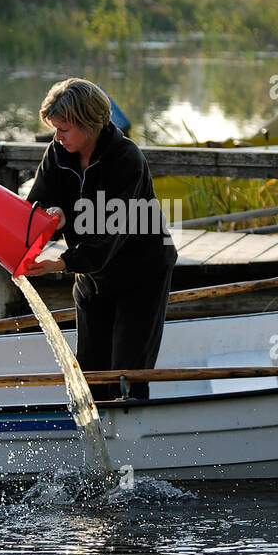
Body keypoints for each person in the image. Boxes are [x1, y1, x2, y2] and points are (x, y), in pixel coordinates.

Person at [24, 78, 177, 401]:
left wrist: (62, 262)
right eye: (55, 128)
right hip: (92, 275)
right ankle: (95, 441)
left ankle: (132, 440)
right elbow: (35, 209)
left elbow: (108, 234)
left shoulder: (126, 159)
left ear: (89, 124)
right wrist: (42, 227)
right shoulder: (57, 153)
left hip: (141, 273)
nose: (57, 136)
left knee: (127, 375)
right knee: (91, 374)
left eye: (64, 128)